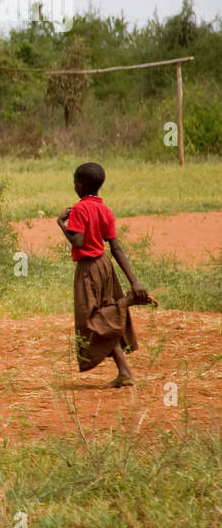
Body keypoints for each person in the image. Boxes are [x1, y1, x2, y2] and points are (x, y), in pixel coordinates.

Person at [57, 162, 154, 387]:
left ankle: (127, 302)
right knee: (104, 319)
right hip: (105, 267)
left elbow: (78, 242)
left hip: (89, 269)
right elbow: (116, 248)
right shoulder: (105, 210)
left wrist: (61, 224)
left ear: (79, 185)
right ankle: (125, 372)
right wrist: (134, 281)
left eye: (74, 183)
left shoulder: (80, 209)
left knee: (92, 320)